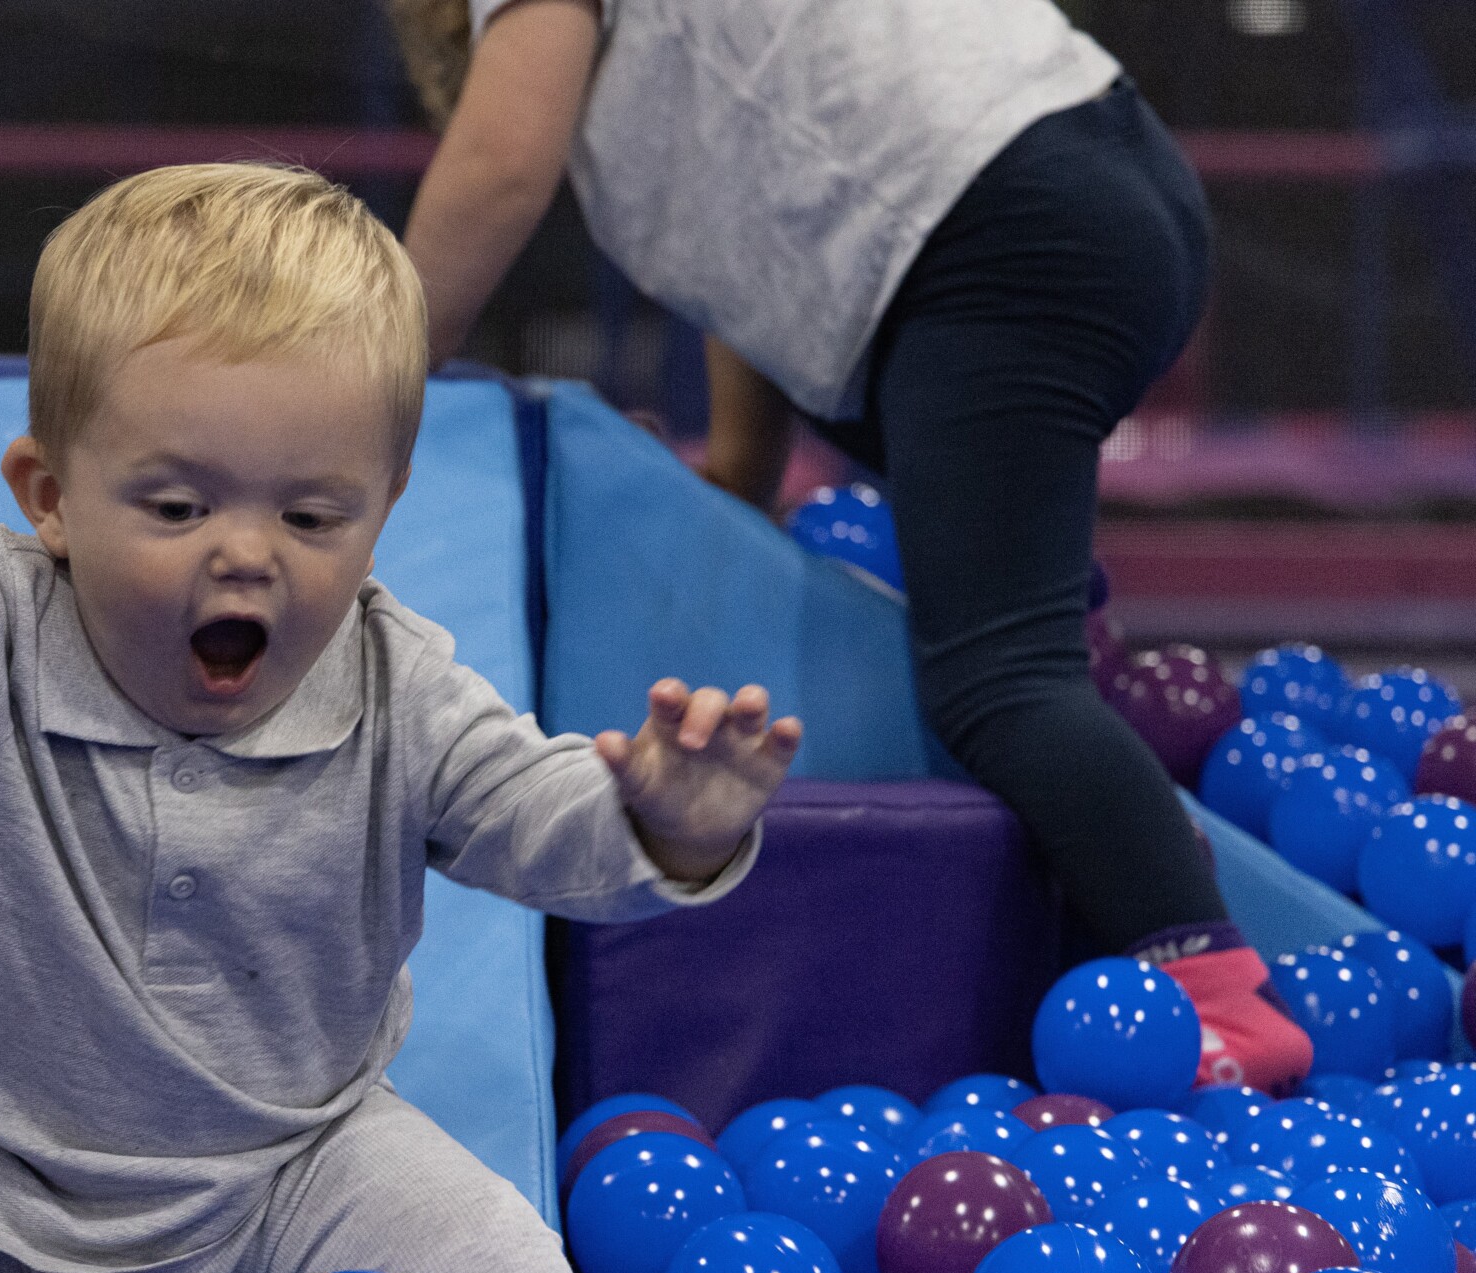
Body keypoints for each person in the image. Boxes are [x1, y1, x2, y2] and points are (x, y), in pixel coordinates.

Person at [0, 163, 799, 1273]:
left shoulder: (398, 690)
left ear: (380, 516)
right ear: (49, 498)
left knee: (503, 1261)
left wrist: (670, 819)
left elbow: (537, 817)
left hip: (288, 1170)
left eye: (312, 513)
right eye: (176, 504)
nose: (245, 551)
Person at [389, 0, 1313, 1091]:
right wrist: (736, 466)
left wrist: (369, 378)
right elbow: (751, 254)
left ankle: (1217, 1002)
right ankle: (1127, 820)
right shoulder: (683, 61)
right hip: (1091, 169)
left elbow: (498, 165)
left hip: (997, 213)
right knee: (990, 571)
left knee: (1000, 681)